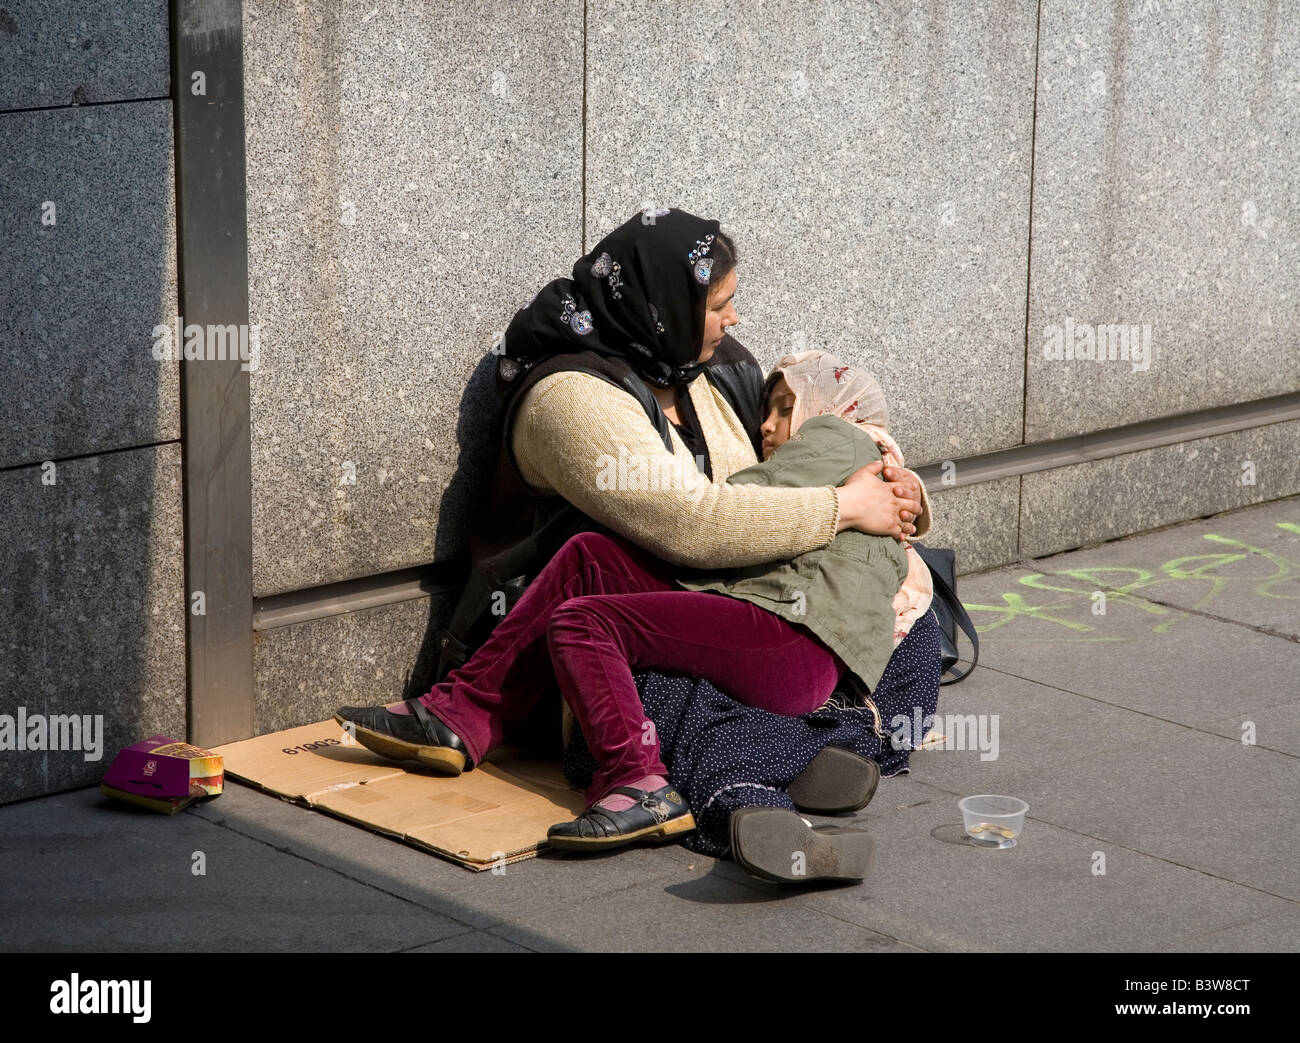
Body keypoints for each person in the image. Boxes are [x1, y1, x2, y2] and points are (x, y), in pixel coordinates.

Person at [335, 207, 934, 875]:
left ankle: (791, 750)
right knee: (634, 649)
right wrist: (847, 505)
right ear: (664, 307)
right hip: (574, 663)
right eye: (720, 304)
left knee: (914, 621)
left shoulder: (700, 364)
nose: (735, 320)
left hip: (735, 599)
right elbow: (696, 521)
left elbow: (762, 498)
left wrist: (893, 486)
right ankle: (736, 784)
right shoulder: (568, 394)